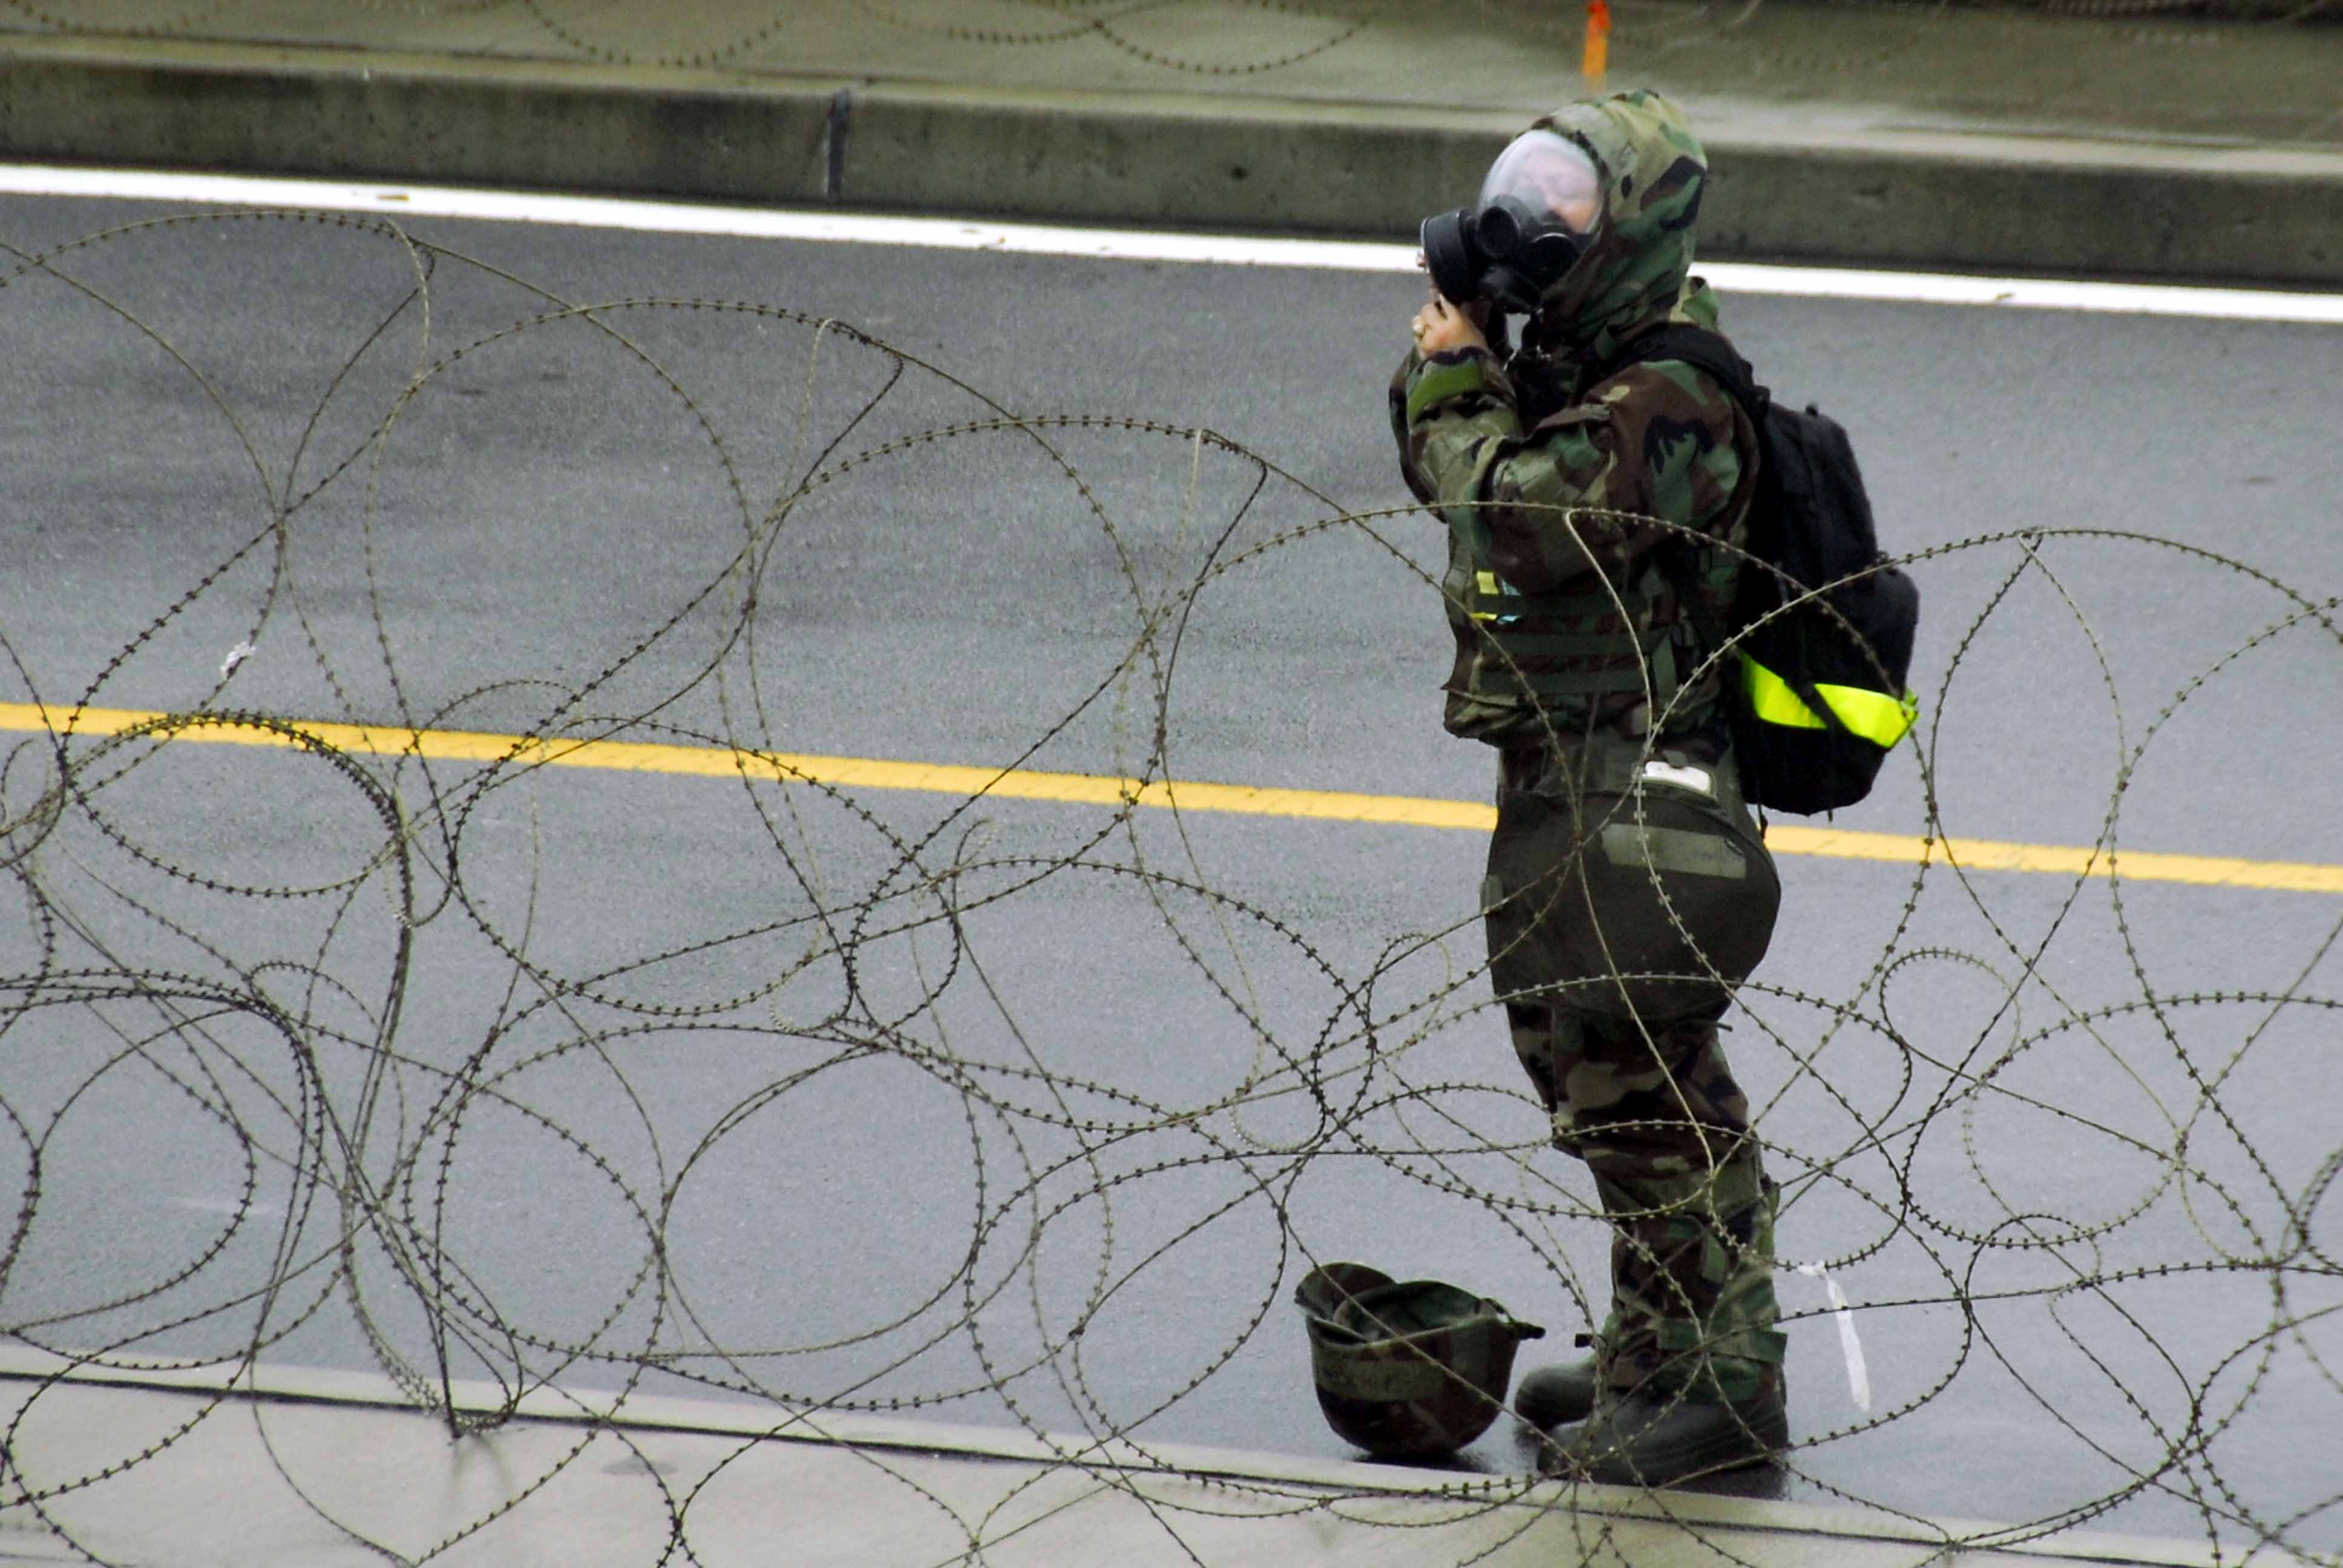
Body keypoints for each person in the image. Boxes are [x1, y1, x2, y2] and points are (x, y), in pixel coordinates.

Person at [1390, 90, 1789, 1486]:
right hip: (1565, 761)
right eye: (1533, 192)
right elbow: (1466, 473)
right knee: (1586, 1066)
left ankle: (1717, 1391)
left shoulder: (1669, 391)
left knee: (1641, 1080)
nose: (1536, 224)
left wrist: (1452, 376)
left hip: (1640, 776)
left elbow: (1514, 513)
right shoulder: (1592, 351)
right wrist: (1471, 366)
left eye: (1569, 206)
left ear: (1626, 230)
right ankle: (1655, 1351)